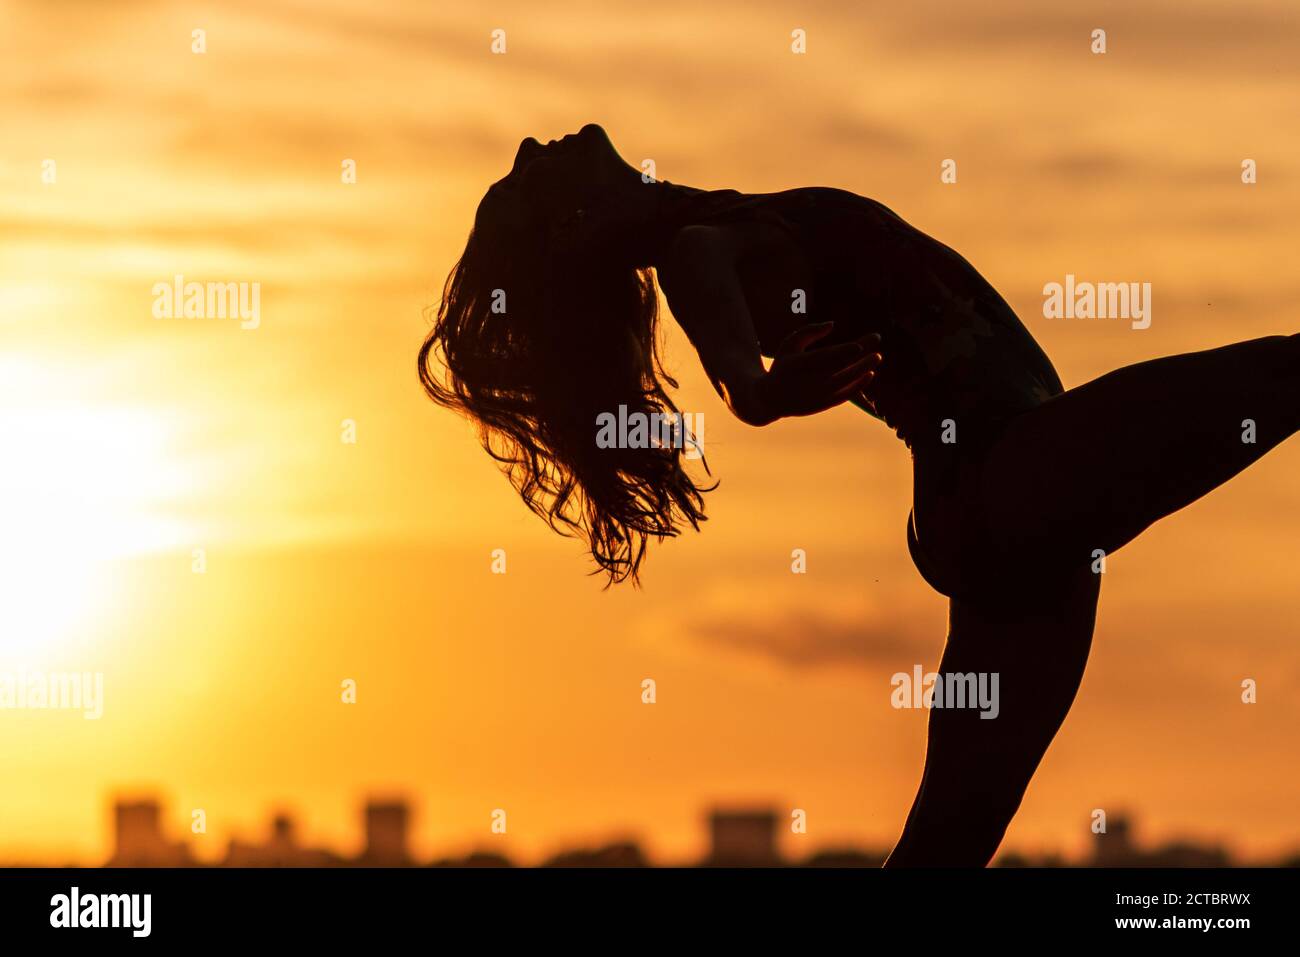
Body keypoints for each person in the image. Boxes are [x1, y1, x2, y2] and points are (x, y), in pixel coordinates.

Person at [419, 123, 1298, 866]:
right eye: (524, 170)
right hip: (1005, 481)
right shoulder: (695, 245)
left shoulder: (719, 222)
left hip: (997, 514)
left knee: (940, 851)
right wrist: (760, 395)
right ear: (572, 222)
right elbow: (731, 354)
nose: (534, 142)